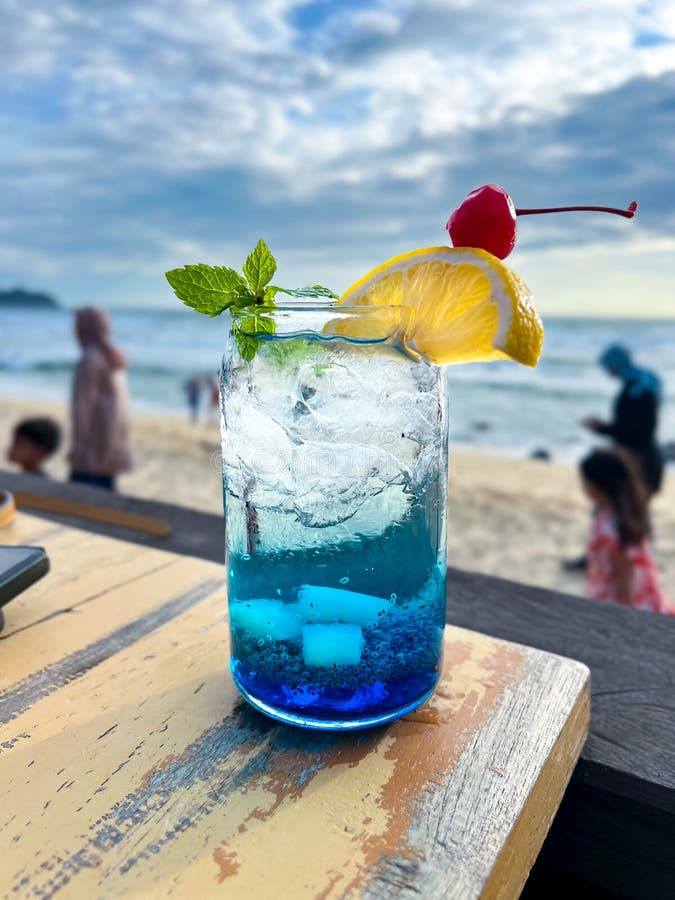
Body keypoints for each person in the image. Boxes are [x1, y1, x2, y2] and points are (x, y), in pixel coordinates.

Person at [580, 449, 673, 615]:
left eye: (585, 481)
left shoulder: (612, 528)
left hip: (621, 607)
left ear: (596, 486)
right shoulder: (624, 514)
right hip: (632, 600)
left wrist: (623, 618)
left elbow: (625, 580)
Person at [582, 344, 663, 495]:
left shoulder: (633, 391)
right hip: (649, 455)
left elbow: (628, 430)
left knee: (628, 509)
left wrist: (599, 427)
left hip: (634, 461)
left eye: (607, 367)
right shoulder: (645, 384)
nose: (607, 371)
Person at [69, 307, 133, 491]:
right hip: (111, 444)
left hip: (92, 449)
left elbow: (82, 407)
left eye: (78, 325)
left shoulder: (90, 359)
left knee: (85, 501)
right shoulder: (112, 357)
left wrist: (79, 445)